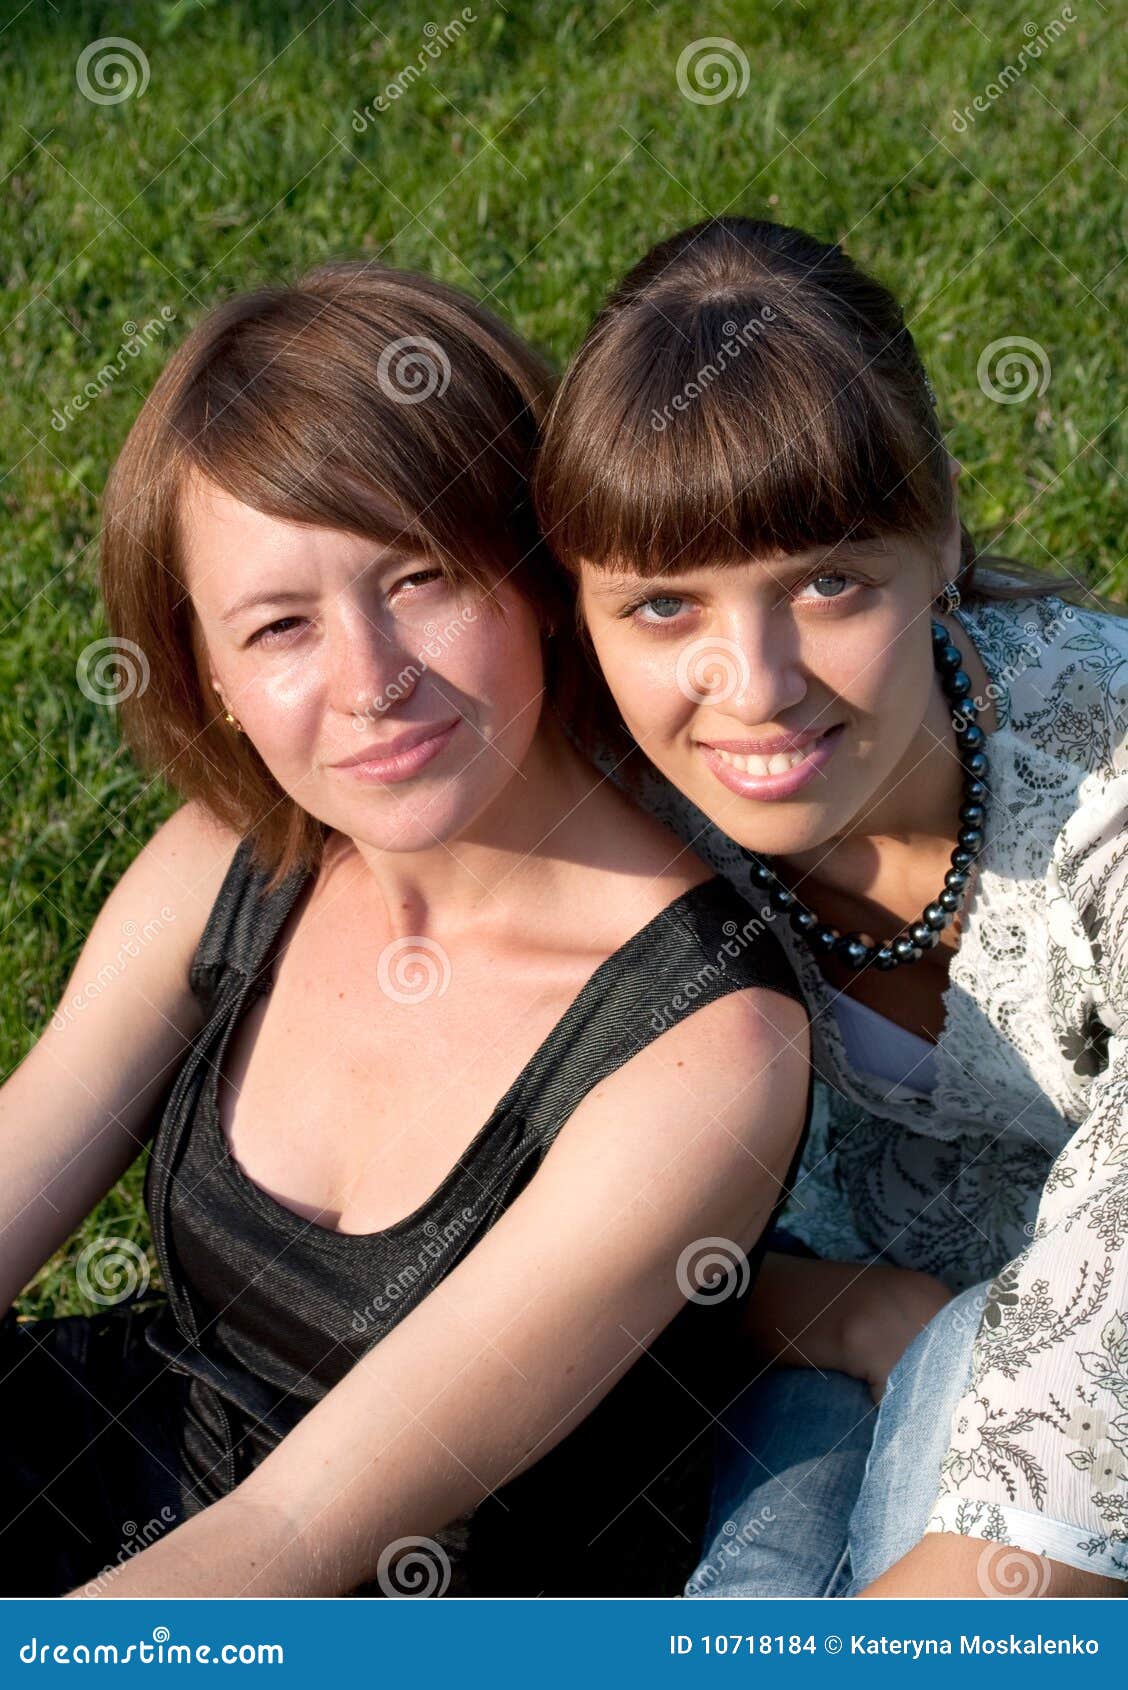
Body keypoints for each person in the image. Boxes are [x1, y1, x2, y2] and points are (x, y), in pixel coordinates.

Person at [0, 261, 812, 1598]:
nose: (372, 682)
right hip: (110, 1464)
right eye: (279, 626)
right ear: (207, 664)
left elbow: (305, 1533)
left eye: (422, 576)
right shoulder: (235, 859)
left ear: (541, 570)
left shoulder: (703, 1044)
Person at [533, 216, 1128, 1597]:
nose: (756, 685)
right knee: (757, 1596)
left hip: (1090, 1398)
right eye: (664, 606)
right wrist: (845, 1312)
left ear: (943, 538)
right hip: (802, 1335)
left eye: (828, 580)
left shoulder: (1099, 761)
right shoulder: (603, 804)